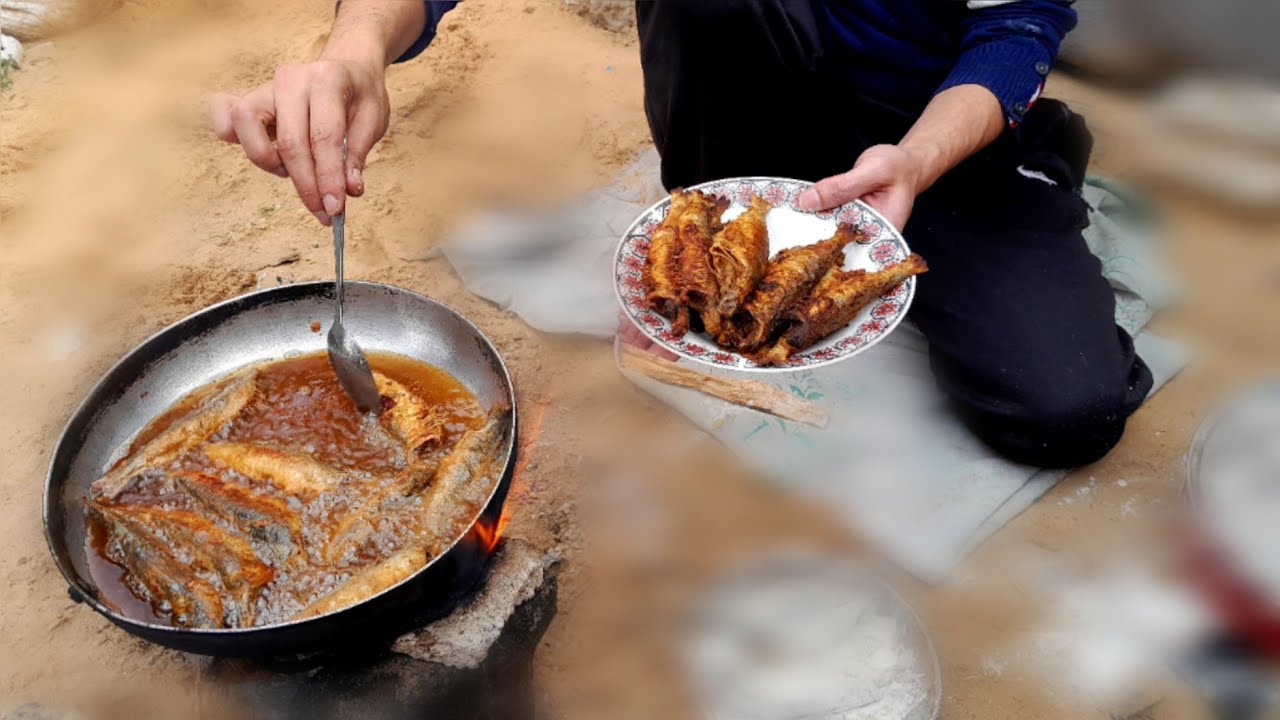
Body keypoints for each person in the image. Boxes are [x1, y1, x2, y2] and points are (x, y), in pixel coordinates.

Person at [211, 0, 1153, 468]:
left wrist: (916, 160)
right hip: (738, 133)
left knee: (1065, 410)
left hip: (930, 141)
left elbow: (1018, 28)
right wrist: (354, 52)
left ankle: (1037, 156)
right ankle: (714, 199)